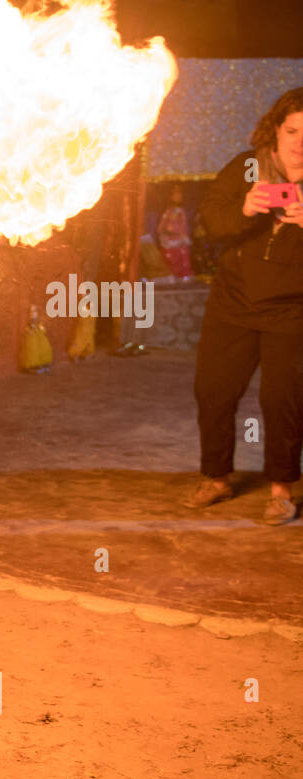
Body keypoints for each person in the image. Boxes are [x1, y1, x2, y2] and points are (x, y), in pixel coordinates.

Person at [186, 88, 303, 525]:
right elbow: (208, 221)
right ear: (276, 129)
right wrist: (245, 207)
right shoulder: (248, 165)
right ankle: (216, 477)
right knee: (213, 391)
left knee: (283, 400)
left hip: (291, 310)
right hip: (233, 302)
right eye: (292, 130)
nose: (298, 142)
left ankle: (281, 489)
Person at [156, 184, 194, 279]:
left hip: (180, 239)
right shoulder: (168, 211)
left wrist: (183, 236)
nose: (179, 196)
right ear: (171, 196)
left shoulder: (181, 211)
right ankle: (171, 275)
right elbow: (162, 225)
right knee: (170, 258)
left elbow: (183, 225)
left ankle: (183, 275)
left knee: (182, 258)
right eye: (176, 194)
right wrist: (163, 233)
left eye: (180, 194)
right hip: (169, 240)